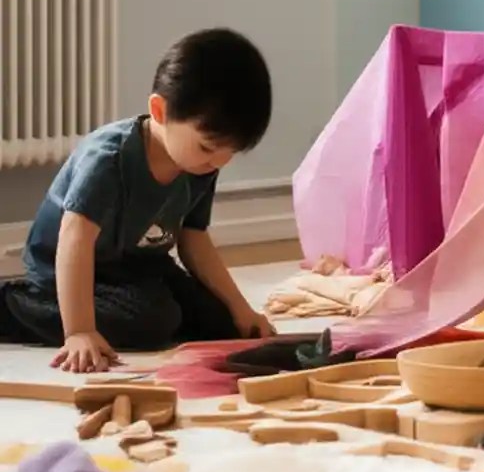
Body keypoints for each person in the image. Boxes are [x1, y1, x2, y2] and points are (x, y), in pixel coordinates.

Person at [0, 28, 278, 372]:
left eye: (231, 152)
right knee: (152, 322)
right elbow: (75, 239)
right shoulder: (109, 159)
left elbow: (194, 239)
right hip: (77, 268)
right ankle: (12, 306)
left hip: (140, 265)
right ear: (160, 111)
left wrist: (241, 308)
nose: (220, 162)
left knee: (220, 322)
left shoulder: (201, 164)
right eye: (208, 147)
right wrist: (80, 331)